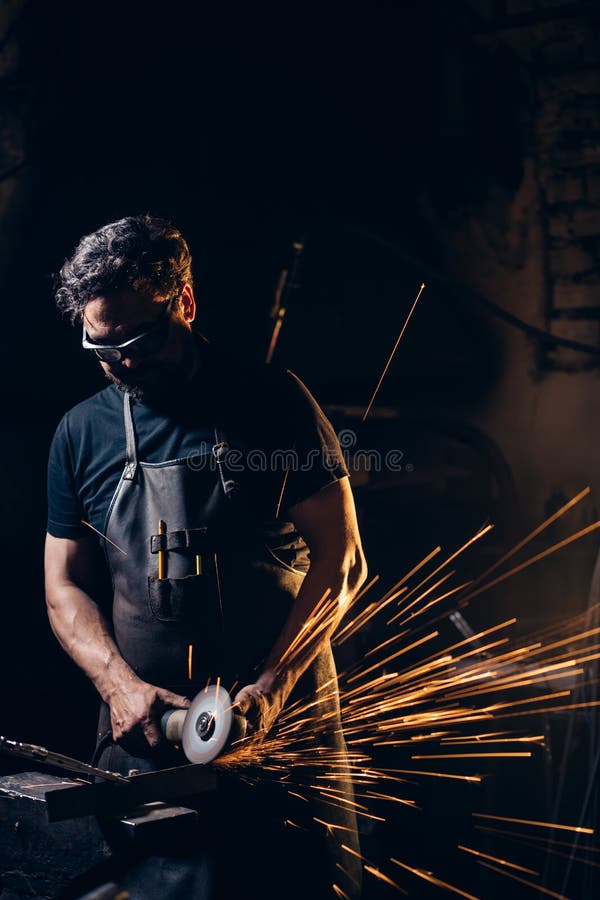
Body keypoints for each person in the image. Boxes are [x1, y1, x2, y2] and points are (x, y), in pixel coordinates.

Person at [44, 214, 368, 900]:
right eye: (102, 348)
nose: (123, 363)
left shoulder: (272, 403)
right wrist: (118, 687)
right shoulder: (80, 433)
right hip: (145, 753)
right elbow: (64, 585)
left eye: (139, 341)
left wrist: (272, 686)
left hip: (279, 739)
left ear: (184, 302)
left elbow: (341, 560)